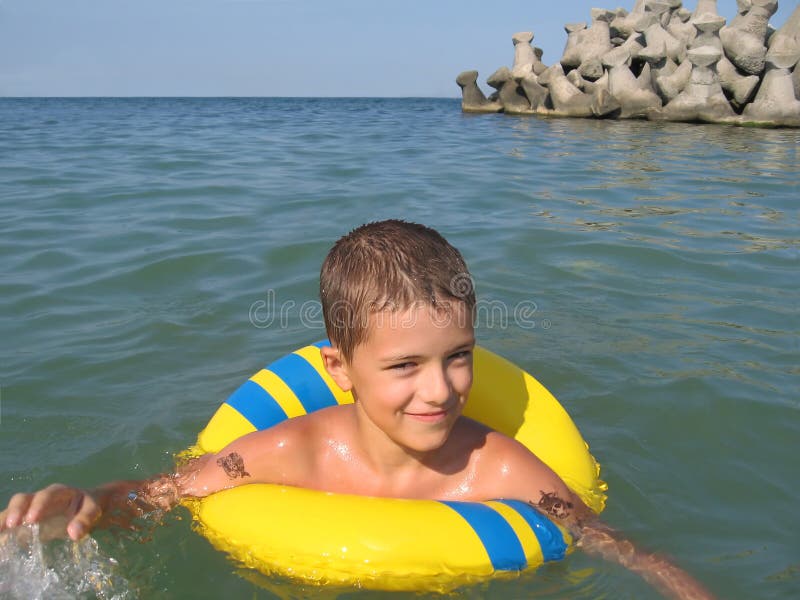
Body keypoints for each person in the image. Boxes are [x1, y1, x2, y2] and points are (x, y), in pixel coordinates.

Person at [1, 220, 713, 599]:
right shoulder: (292, 453)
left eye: (458, 355)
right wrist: (86, 500)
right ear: (338, 369)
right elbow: (159, 494)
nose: (439, 390)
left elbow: (617, 547)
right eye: (404, 366)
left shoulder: (495, 464)